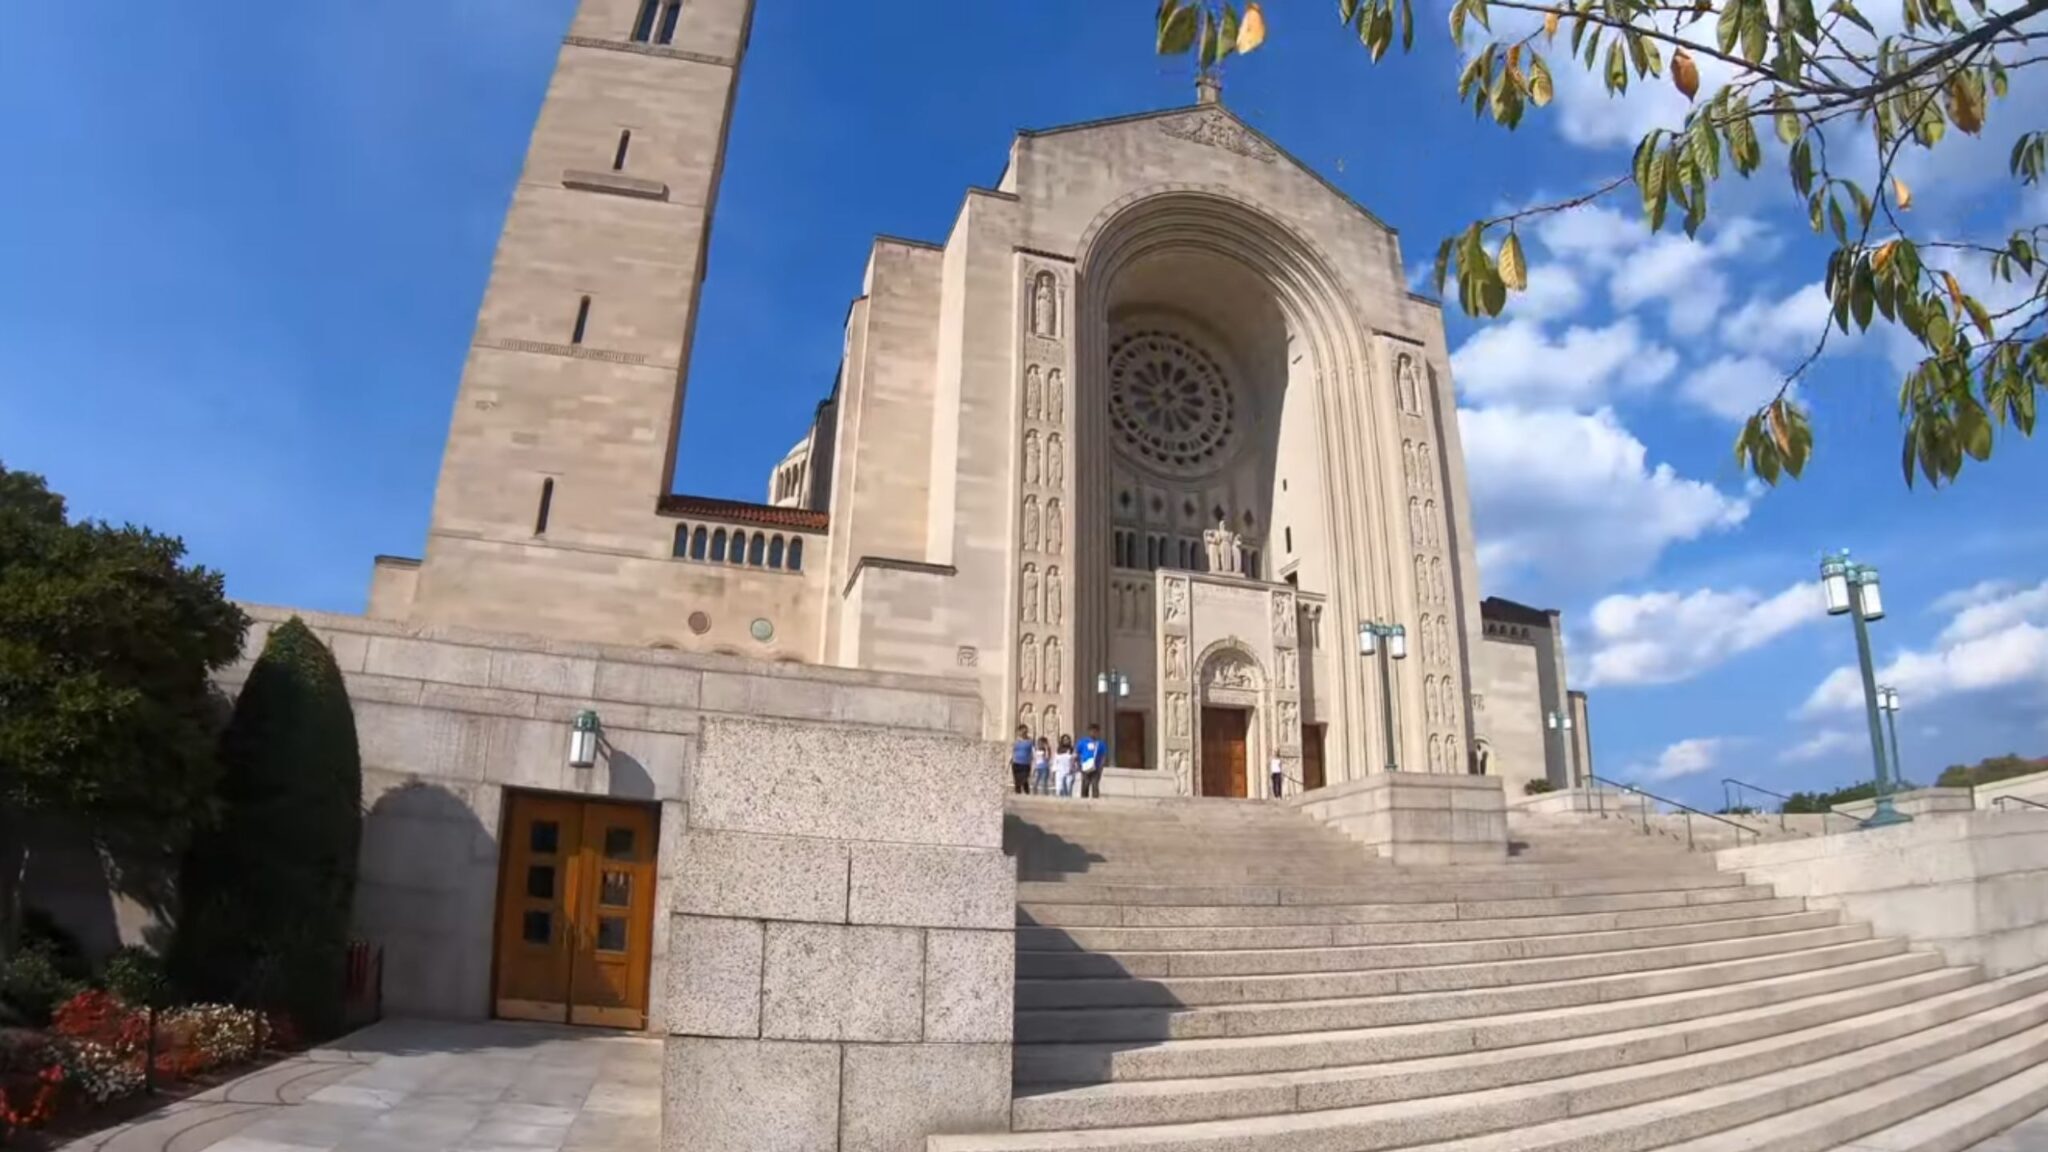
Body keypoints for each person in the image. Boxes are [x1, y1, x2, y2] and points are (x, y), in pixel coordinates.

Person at [1076, 724, 1106, 800]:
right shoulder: (1083, 742)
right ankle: (1083, 800)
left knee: (1095, 785)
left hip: (1096, 767)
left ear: (1098, 732)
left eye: (1095, 731)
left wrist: (1101, 767)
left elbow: (1103, 756)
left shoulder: (1101, 744)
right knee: (1085, 784)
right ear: (1089, 732)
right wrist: (1079, 765)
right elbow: (1077, 753)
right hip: (1085, 767)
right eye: (1092, 731)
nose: (1093, 733)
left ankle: (1095, 802)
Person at [1011, 725, 1034, 795]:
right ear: (1019, 732)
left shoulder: (1030, 741)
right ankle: (1018, 795)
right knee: (1017, 781)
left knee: (1024, 780)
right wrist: (1011, 760)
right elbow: (1013, 751)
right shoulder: (1016, 741)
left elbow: (1033, 752)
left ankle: (1027, 794)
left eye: (1025, 731)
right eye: (1022, 731)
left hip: (1026, 763)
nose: (1024, 733)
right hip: (1016, 763)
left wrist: (1033, 763)